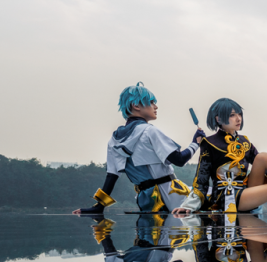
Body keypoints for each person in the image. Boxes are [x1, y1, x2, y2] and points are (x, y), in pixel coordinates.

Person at [74, 83, 203, 216]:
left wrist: (99, 206)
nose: (156, 106)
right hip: (173, 194)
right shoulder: (150, 131)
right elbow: (179, 160)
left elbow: (112, 176)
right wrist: (196, 143)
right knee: (211, 196)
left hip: (145, 198)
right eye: (151, 102)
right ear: (136, 105)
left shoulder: (114, 140)